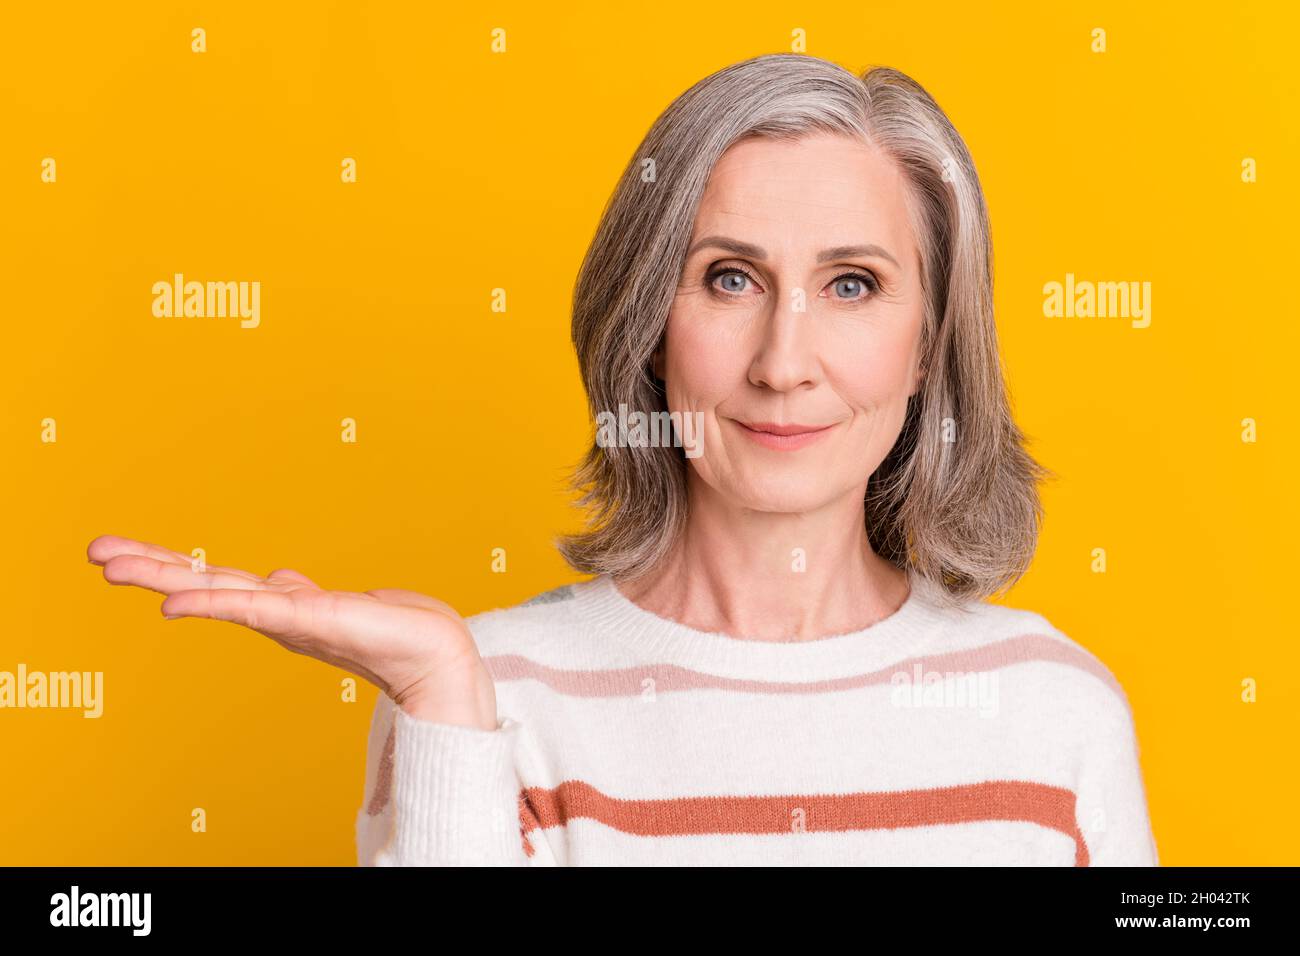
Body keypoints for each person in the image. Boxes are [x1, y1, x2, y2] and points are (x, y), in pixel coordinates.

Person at [89, 53, 1158, 866]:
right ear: (649, 322)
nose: (784, 363)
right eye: (730, 278)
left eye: (852, 284)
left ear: (928, 344)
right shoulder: (487, 698)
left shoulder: (1055, 711)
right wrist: (446, 708)